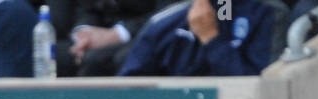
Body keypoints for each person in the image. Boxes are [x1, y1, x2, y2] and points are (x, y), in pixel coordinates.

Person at [119, 0, 283, 77]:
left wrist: (211, 39)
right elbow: (128, 87)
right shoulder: (166, 20)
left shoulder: (267, 13)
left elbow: (261, 87)